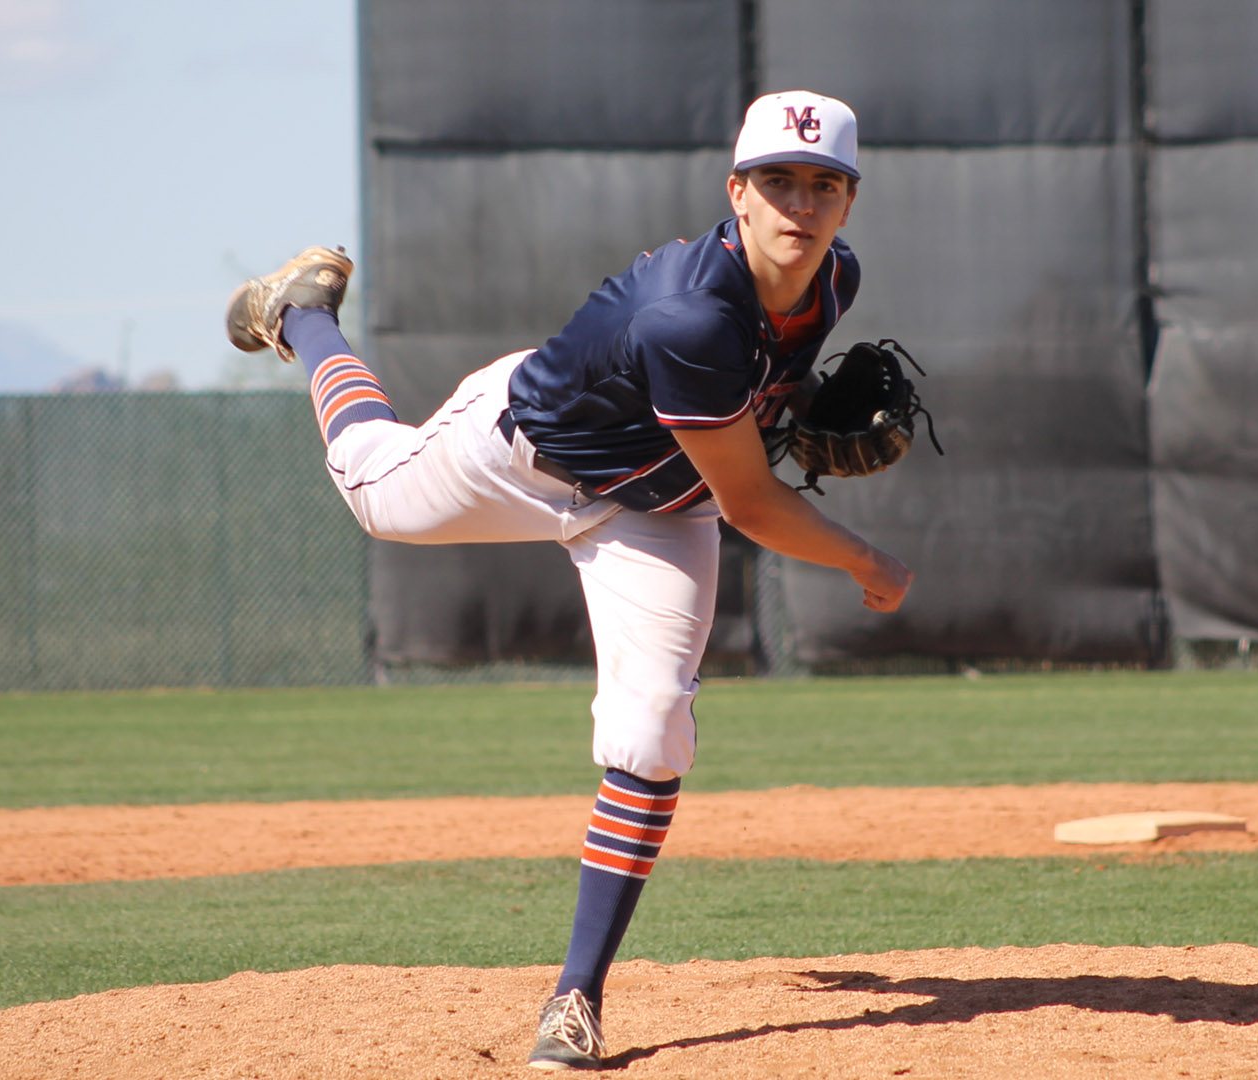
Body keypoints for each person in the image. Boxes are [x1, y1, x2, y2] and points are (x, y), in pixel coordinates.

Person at [225, 89, 911, 1071]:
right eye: (777, 183)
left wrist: (796, 403)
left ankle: (575, 999)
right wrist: (866, 559)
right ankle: (303, 315)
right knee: (374, 490)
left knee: (654, 726)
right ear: (738, 194)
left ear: (848, 201)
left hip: (658, 509)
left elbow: (770, 391)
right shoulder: (689, 315)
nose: (799, 205)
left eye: (823, 185)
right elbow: (756, 506)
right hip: (518, 456)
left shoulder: (834, 278)